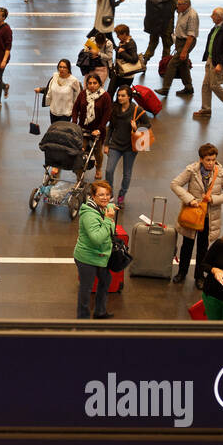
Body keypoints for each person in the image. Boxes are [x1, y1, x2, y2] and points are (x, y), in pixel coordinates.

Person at [171, 143, 223, 287]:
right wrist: (190, 199)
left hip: (209, 217)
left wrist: (213, 199)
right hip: (193, 215)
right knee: (187, 246)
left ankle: (199, 277)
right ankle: (182, 272)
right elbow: (175, 184)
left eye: (213, 160)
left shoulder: (221, 173)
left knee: (203, 248)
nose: (211, 163)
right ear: (201, 159)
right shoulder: (192, 170)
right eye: (208, 160)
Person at [74, 179, 118, 320]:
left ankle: (100, 311)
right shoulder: (89, 215)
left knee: (105, 280)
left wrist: (110, 205)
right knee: (86, 289)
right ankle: (83, 318)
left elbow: (106, 204)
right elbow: (97, 238)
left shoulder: (103, 207)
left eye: (107, 195)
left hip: (100, 256)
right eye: (101, 195)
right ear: (93, 197)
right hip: (87, 257)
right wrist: (108, 220)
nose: (105, 198)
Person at [103, 84, 151, 207]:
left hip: (131, 146)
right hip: (115, 145)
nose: (120, 98)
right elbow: (111, 127)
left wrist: (137, 128)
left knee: (127, 173)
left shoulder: (137, 110)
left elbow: (148, 124)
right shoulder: (115, 109)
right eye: (118, 95)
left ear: (129, 97)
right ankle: (110, 195)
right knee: (109, 170)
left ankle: (121, 196)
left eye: (123, 96)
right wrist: (106, 144)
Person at [195, 7, 223, 119]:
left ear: (219, 17)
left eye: (213, 15)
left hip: (217, 62)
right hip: (211, 59)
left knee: (214, 85)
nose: (211, 16)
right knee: (206, 85)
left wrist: (221, 64)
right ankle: (206, 109)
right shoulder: (217, 27)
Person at [157, 0, 198, 98]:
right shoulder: (181, 11)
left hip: (187, 42)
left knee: (172, 64)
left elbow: (191, 36)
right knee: (183, 65)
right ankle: (189, 88)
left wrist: (184, 51)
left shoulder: (192, 16)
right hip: (179, 41)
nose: (177, 6)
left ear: (186, 5)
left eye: (179, 4)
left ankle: (165, 88)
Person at [72, 72, 112, 153]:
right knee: (80, 151)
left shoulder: (105, 96)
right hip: (83, 128)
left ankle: (98, 165)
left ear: (99, 84)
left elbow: (107, 115)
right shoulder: (83, 94)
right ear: (87, 84)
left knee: (97, 154)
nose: (92, 85)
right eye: (90, 83)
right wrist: (75, 122)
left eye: (95, 83)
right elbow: (75, 108)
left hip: (98, 130)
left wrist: (99, 129)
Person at [142, 0, 180, 64]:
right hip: (167, 27)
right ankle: (164, 64)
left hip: (155, 24)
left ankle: (145, 59)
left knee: (152, 43)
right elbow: (179, 11)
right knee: (166, 46)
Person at [36, 58, 81, 126]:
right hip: (53, 111)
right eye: (60, 67)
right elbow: (50, 89)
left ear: (68, 69)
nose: (62, 69)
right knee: (54, 132)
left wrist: (76, 111)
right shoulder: (54, 78)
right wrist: (41, 90)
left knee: (61, 133)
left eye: (64, 67)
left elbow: (77, 96)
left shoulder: (73, 81)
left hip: (66, 113)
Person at [111, 24, 141, 90]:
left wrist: (122, 53)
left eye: (118, 35)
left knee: (121, 94)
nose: (117, 36)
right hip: (118, 72)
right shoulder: (123, 42)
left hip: (126, 75)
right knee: (110, 92)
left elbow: (134, 59)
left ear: (124, 34)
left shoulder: (131, 43)